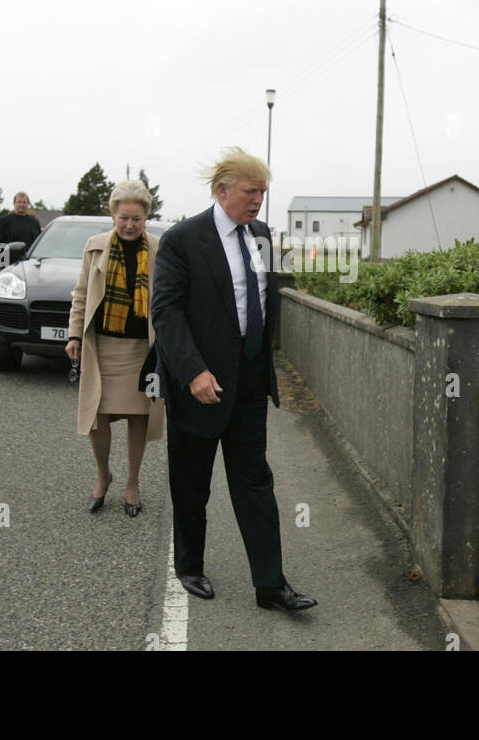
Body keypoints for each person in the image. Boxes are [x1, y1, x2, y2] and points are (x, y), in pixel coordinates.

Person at [151, 147, 316, 612]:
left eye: (263, 192)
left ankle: (270, 585)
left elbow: (264, 297)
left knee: (255, 483)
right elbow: (166, 313)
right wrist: (193, 372)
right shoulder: (184, 239)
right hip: (199, 385)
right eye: (250, 191)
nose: (258, 200)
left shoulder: (260, 234)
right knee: (191, 484)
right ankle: (189, 565)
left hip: (248, 383)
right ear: (222, 191)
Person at [65, 180, 164, 518]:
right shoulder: (95, 247)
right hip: (102, 345)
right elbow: (81, 294)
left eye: (137, 219)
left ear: (146, 218)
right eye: (124, 218)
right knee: (98, 416)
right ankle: (103, 474)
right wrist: (74, 335)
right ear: (113, 216)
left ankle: (133, 482)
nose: (130, 225)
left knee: (139, 416)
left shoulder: (158, 249)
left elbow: (169, 299)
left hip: (141, 348)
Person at [0, 192, 41, 259]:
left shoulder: (34, 222)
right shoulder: (4, 221)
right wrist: (4, 264)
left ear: (28, 204)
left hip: (30, 263)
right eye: (19, 202)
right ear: (14, 203)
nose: (21, 204)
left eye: (24, 202)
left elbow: (39, 244)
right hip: (10, 264)